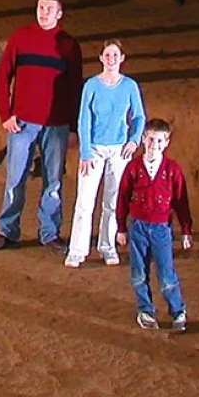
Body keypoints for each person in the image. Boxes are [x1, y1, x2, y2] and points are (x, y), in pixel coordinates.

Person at [0, 0, 84, 251]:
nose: (44, 12)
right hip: (22, 123)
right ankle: (7, 230)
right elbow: (3, 75)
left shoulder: (69, 45)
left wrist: (74, 127)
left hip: (57, 125)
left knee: (53, 181)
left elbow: (75, 88)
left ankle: (49, 233)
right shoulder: (21, 37)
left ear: (59, 14)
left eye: (50, 8)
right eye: (41, 7)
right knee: (15, 178)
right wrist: (5, 113)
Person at [65, 39, 145, 268]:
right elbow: (84, 118)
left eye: (115, 55)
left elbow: (139, 116)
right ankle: (77, 250)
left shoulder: (129, 86)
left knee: (113, 200)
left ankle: (107, 246)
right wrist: (86, 150)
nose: (111, 59)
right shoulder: (91, 85)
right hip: (95, 150)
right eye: (107, 55)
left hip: (119, 151)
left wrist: (134, 140)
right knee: (85, 200)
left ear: (122, 59)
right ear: (101, 58)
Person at [115, 117, 193, 331]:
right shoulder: (133, 168)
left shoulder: (172, 169)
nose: (154, 145)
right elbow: (122, 198)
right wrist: (121, 227)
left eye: (159, 141)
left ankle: (178, 310)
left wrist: (186, 230)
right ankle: (145, 310)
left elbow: (180, 201)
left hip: (161, 229)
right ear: (143, 139)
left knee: (167, 273)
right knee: (139, 272)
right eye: (150, 140)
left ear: (166, 142)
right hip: (138, 227)